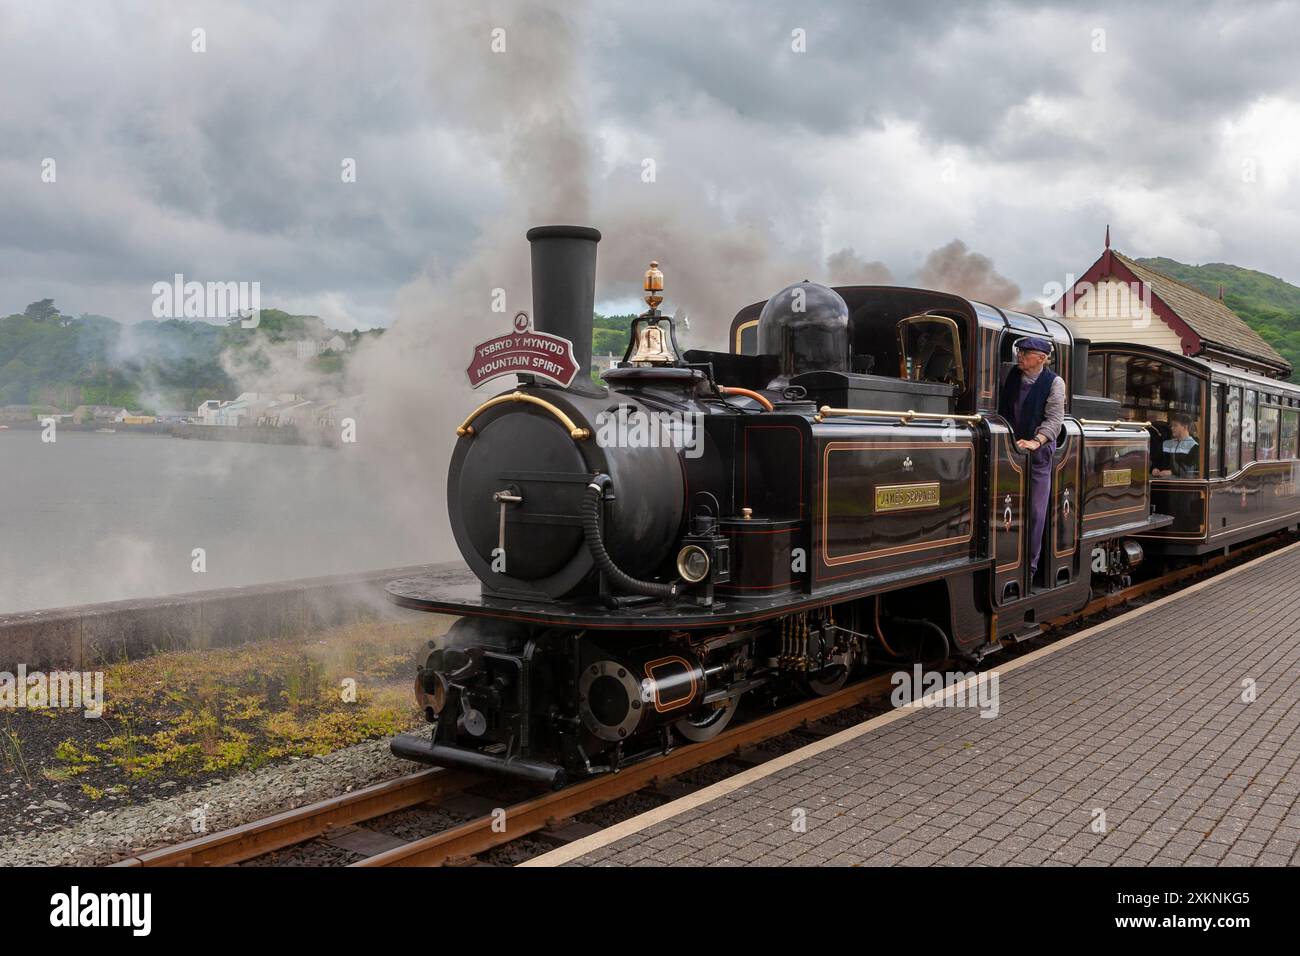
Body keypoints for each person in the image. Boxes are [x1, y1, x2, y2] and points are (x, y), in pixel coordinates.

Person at [998, 335, 1066, 581]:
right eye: (1020, 353)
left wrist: (1036, 442)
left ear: (1042, 359)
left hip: (1038, 455)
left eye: (1025, 354)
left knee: (1036, 512)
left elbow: (1054, 420)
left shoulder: (1055, 383)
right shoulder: (1011, 376)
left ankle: (1031, 567)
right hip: (1011, 449)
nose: (1020, 357)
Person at [1153, 413, 1199, 478]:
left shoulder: (1194, 446)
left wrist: (1172, 472)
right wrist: (1154, 469)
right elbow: (1156, 462)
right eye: (1171, 425)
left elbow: (1192, 471)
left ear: (1185, 427)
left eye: (1175, 425)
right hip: (1160, 483)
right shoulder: (1165, 444)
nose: (1172, 428)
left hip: (1180, 485)